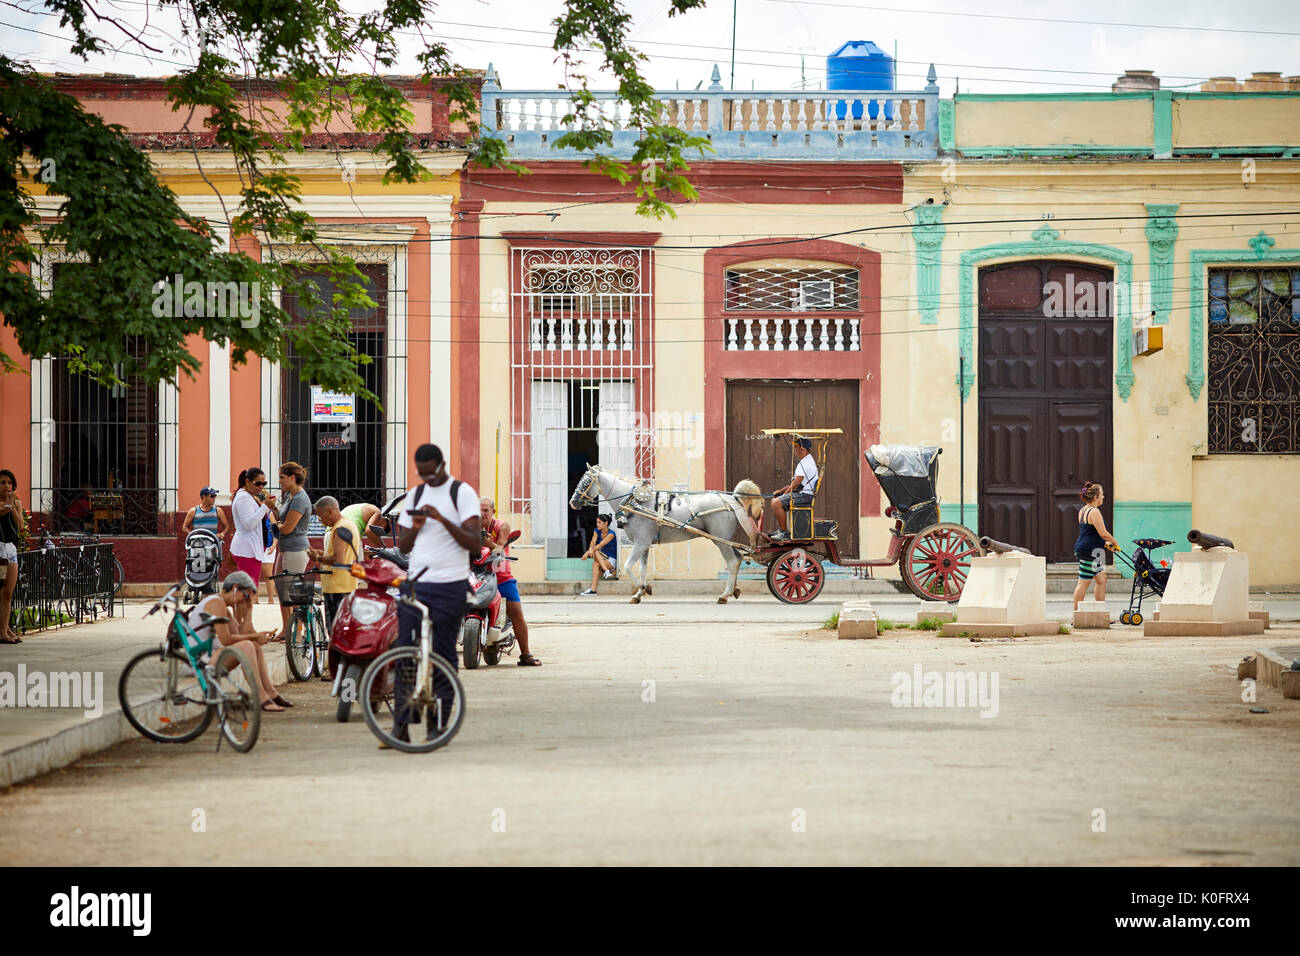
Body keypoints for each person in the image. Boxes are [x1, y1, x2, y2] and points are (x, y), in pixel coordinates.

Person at [387, 443, 480, 747]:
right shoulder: (414, 495)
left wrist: (442, 520)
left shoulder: (461, 494)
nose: (427, 479)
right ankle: (400, 724)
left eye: (431, 473)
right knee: (405, 653)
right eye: (422, 474)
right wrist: (415, 527)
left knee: (442, 655)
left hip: (450, 586)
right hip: (417, 584)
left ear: (442, 465)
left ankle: (437, 724)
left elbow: (475, 544)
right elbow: (403, 546)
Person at [189, 571, 292, 712]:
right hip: (200, 661)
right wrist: (254, 637)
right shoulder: (216, 603)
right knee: (248, 645)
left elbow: (239, 634)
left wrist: (249, 612)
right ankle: (260, 696)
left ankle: (271, 692)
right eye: (245, 596)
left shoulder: (223, 606)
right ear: (235, 588)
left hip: (210, 657)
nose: (243, 601)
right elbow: (226, 640)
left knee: (253, 646)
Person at [480, 496, 541, 666]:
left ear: (493, 512)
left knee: (515, 611)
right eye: (479, 509)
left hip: (499, 574)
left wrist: (489, 544)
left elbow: (500, 548)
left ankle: (526, 655)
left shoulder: (501, 526)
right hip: (475, 574)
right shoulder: (468, 526)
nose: (482, 513)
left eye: (486, 510)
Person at [308, 495, 360, 679]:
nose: (321, 521)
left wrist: (319, 558)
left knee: (335, 629)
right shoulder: (348, 524)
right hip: (346, 583)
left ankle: (335, 669)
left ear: (331, 511)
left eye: (322, 517)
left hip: (338, 584)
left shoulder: (339, 528)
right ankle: (345, 667)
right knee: (344, 628)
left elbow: (336, 558)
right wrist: (324, 554)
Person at [270, 463, 312, 639]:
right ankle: (287, 629)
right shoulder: (290, 496)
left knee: (292, 592)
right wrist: (271, 507)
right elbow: (282, 519)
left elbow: (287, 528)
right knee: (282, 589)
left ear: (292, 478)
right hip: (286, 549)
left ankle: (298, 632)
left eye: (282, 477)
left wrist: (277, 525)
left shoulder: (300, 499)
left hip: (295, 550)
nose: (280, 481)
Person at [230, 466, 273, 632]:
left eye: (264, 483)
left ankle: (245, 625)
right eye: (258, 483)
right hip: (247, 550)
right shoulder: (243, 498)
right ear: (247, 481)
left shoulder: (248, 496)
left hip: (251, 549)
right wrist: (264, 507)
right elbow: (248, 524)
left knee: (246, 592)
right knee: (247, 593)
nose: (261, 487)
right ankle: (246, 626)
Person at [1072, 481, 1120, 611]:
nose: (1103, 497)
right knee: (1084, 582)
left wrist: (1105, 544)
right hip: (1090, 551)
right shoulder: (1094, 512)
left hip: (1093, 550)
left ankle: (1100, 611)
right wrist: (1114, 541)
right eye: (1102, 495)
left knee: (1101, 579)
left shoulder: (1083, 510)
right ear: (1095, 497)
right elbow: (1103, 533)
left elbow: (1090, 533)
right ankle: (1076, 614)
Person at [770, 437, 818, 541]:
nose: (795, 450)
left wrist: (783, 496)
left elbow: (796, 483)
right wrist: (780, 491)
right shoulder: (807, 461)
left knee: (776, 503)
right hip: (803, 495)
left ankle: (784, 532)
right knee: (775, 501)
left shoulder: (805, 463)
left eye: (796, 447)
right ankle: (783, 530)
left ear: (803, 449)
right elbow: (793, 483)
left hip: (805, 496)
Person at [0, 469, 26, 644]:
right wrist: (6, 506)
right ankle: (2, 632)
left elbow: (20, 525)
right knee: (1, 592)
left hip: (11, 549)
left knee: (8, 593)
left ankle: (6, 628)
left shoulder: (15, 503)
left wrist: (13, 506)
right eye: (2, 483)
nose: (6, 486)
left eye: (9, 483)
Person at [580, 513, 618, 596]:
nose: (597, 524)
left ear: (606, 523)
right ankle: (593, 590)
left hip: (611, 560)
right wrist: (590, 550)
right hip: (603, 558)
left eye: (599, 522)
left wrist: (587, 552)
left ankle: (607, 571)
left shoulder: (611, 534)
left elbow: (600, 545)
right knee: (595, 560)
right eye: (597, 522)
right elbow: (593, 542)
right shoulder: (596, 531)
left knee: (596, 553)